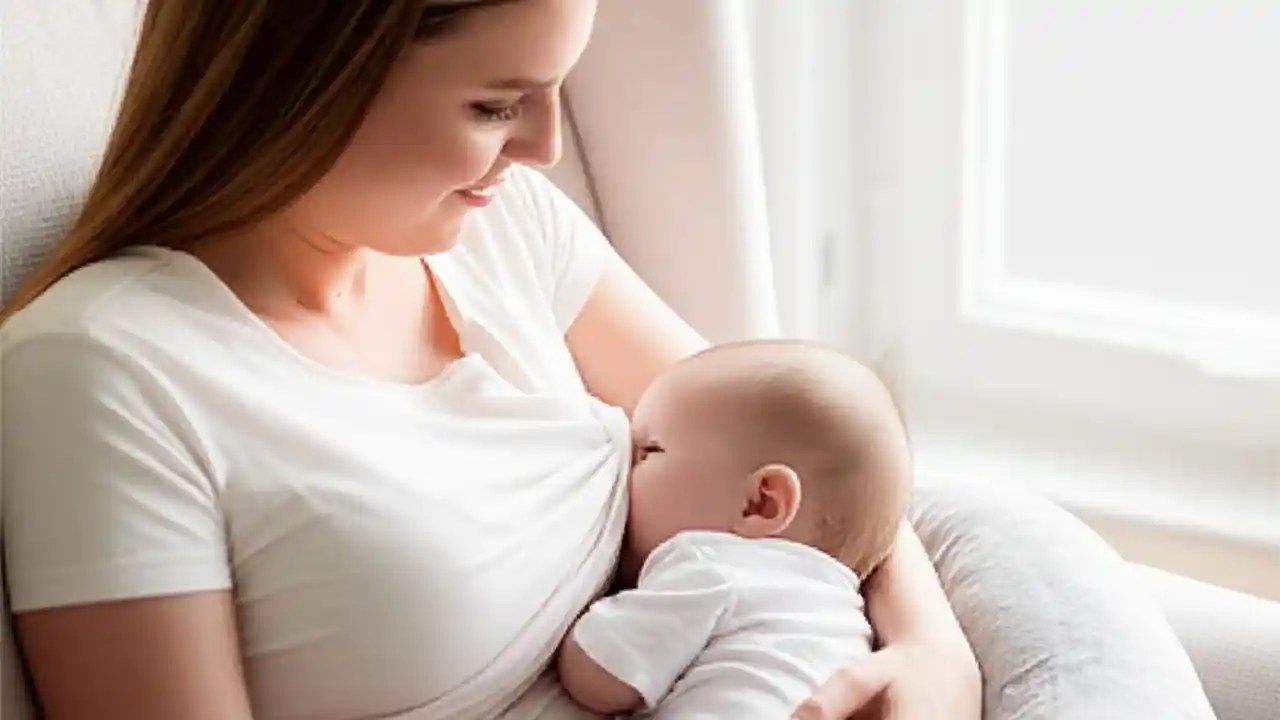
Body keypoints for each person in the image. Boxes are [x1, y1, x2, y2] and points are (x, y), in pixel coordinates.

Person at [0, 2, 980, 718]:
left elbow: (805, 453)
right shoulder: (103, 377)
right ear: (305, 84)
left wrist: (931, 655)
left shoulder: (500, 231)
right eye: (494, 105)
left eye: (555, 90)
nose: (547, 147)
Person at [557, 340, 913, 718]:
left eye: (649, 451)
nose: (627, 463)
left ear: (760, 503)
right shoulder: (847, 619)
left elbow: (596, 676)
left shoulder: (709, 567)